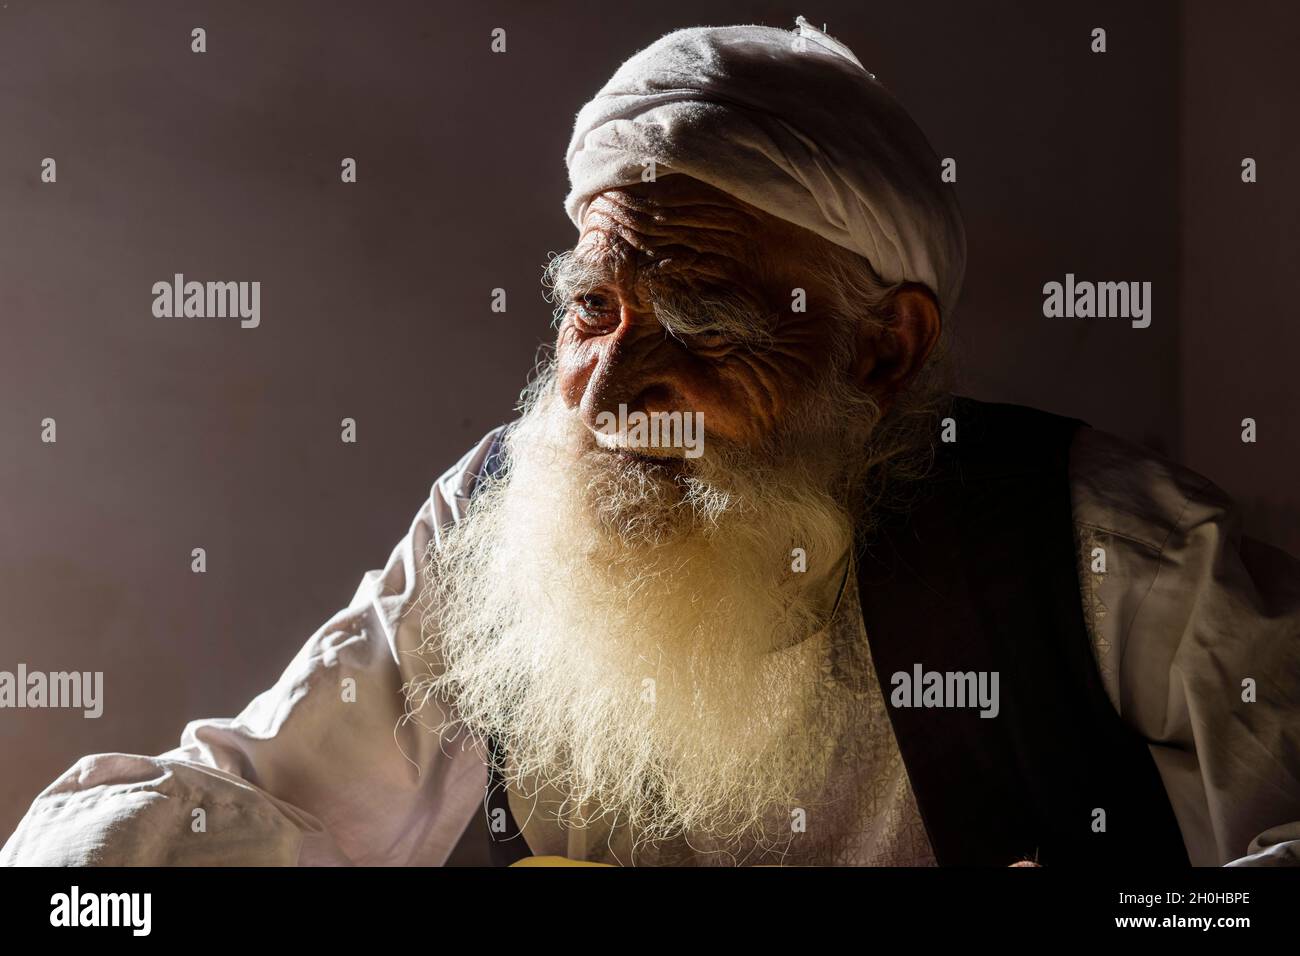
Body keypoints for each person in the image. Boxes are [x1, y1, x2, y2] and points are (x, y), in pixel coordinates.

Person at [5, 18, 1298, 867]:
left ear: (883, 352)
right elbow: (233, 810)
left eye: (701, 322)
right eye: (593, 310)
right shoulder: (508, 521)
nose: (611, 386)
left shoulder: (1094, 553)